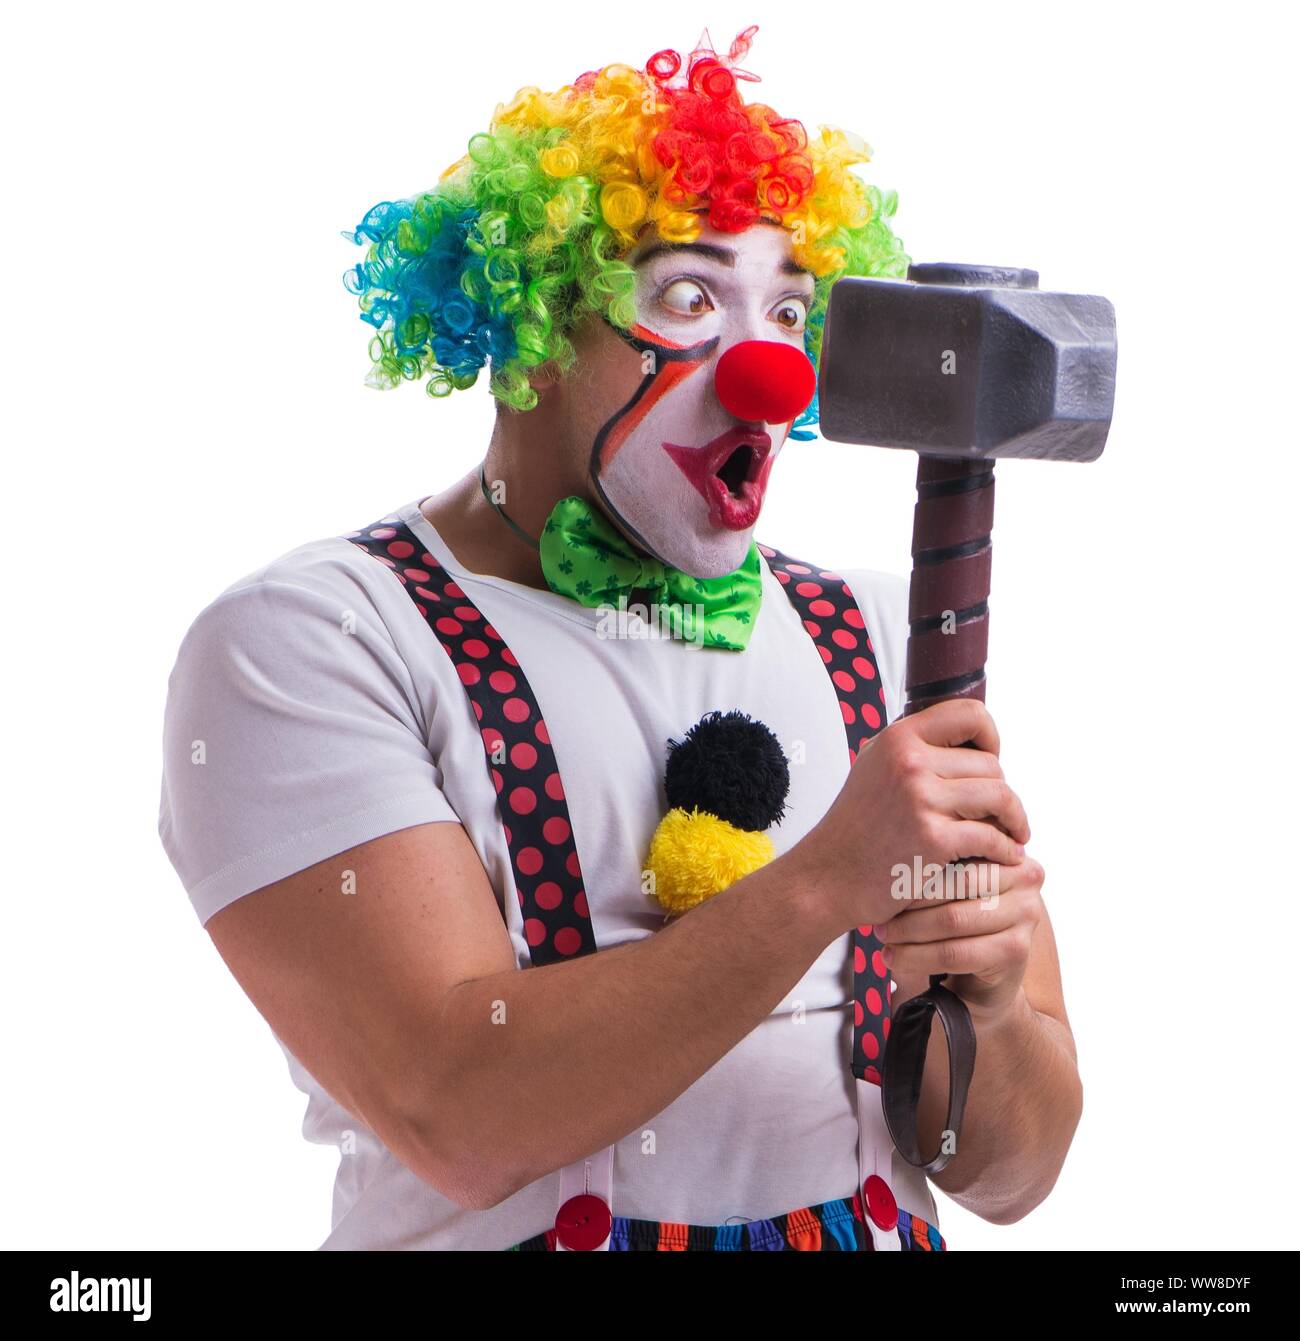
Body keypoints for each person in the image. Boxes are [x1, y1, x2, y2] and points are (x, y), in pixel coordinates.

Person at [158, 25, 1081, 1251]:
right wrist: (825, 884)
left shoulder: (878, 632)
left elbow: (1011, 1179)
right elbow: (459, 1114)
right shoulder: (314, 639)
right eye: (688, 296)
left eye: (791, 307)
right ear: (531, 326)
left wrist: (993, 1000)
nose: (771, 371)